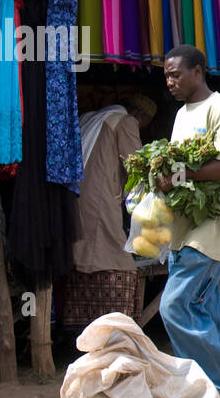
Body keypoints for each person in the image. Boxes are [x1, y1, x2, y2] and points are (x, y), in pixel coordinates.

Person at [157, 45, 220, 398]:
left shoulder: (219, 108)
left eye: (176, 74)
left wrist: (180, 175)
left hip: (209, 232)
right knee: (203, 313)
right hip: (184, 230)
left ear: (198, 71)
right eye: (166, 75)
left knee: (174, 306)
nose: (170, 82)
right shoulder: (182, 114)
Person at [61, 95, 157, 328]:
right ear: (139, 116)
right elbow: (135, 162)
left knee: (83, 253)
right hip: (99, 199)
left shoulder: (91, 118)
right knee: (113, 255)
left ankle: (83, 324)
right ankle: (118, 324)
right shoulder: (125, 122)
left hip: (77, 197)